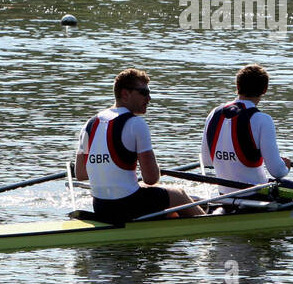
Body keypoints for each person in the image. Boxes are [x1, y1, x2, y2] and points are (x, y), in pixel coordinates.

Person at [75, 68, 204, 222]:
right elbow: (151, 178)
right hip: (129, 206)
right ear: (125, 94)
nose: (149, 98)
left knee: (151, 193)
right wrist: (154, 170)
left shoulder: (89, 124)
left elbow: (81, 174)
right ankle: (212, 225)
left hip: (100, 206)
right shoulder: (135, 123)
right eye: (144, 92)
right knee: (179, 194)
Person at [200, 64, 293, 201]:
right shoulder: (262, 120)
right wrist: (285, 167)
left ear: (237, 86)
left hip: (224, 195)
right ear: (264, 90)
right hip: (256, 195)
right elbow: (277, 171)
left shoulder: (213, 114)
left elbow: (207, 161)